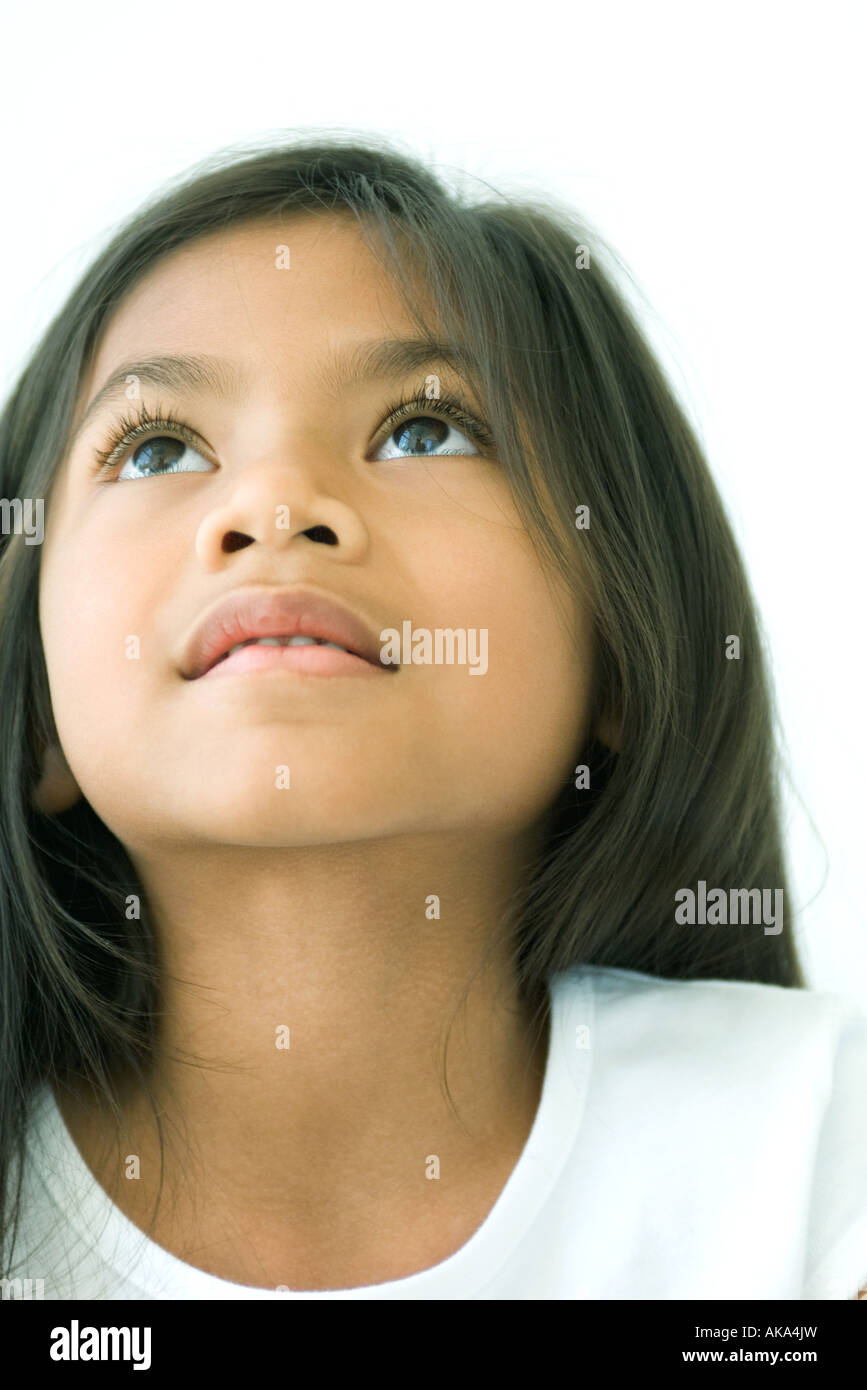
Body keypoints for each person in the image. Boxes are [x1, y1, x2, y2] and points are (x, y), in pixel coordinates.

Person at [1, 135, 864, 1300]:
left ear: (617, 654)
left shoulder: (819, 1156)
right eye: (159, 447)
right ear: (39, 716)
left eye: (424, 429)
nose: (273, 502)